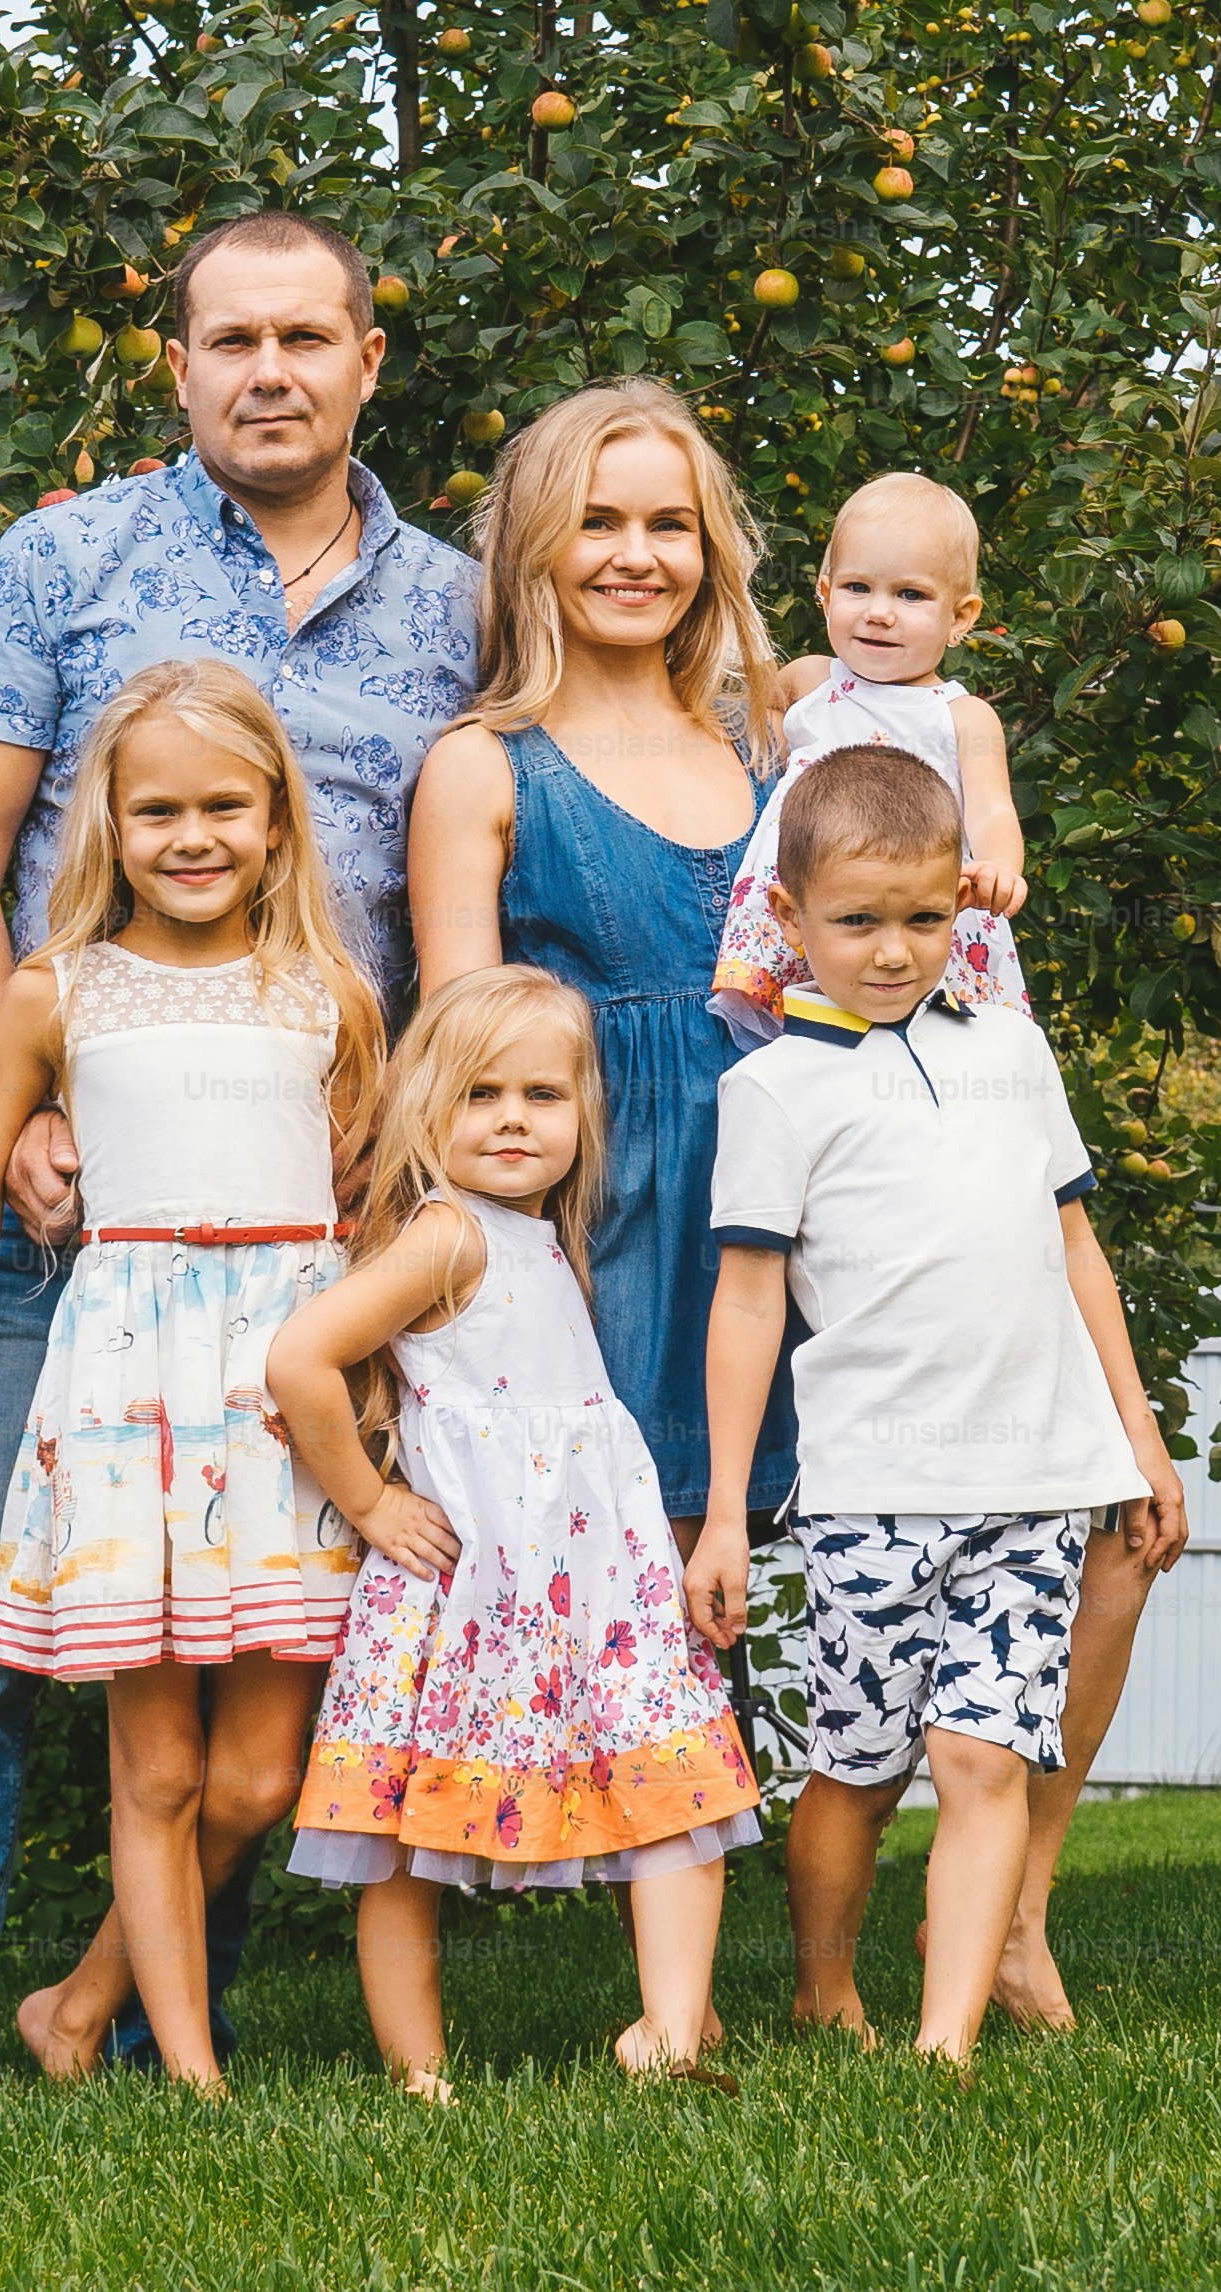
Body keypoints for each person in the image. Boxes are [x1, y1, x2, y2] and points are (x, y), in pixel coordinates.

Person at [0, 209, 476, 2115]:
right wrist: (21, 1108)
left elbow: (475, 871)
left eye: (305, 337)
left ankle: (105, 1999)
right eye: (228, 340)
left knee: (283, 1636)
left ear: (367, 360)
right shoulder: (64, 562)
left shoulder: (453, 603)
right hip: (73, 1219)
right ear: (176, 366)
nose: (267, 370)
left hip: (318, 1231)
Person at [0, 657, 386, 2095]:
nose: (189, 839)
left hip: (276, 1406)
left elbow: (366, 1202)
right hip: (129, 1401)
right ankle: (188, 2075)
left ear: (274, 822)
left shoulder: (327, 992)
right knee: (157, 1773)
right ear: (107, 827)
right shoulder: (55, 993)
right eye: (155, 813)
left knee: (257, 1778)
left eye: (221, 808)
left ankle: (74, 2007)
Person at [688, 745, 1189, 2065]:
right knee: (853, 1771)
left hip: (1030, 1482)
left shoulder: (1011, 1053)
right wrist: (729, 1515)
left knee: (984, 1760)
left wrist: (1135, 1437)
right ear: (789, 919)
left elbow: (1075, 1251)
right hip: (867, 1491)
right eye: (857, 922)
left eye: (924, 917)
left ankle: (944, 2047)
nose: (897, 950)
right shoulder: (769, 1090)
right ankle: (822, 1988)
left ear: (960, 905)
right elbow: (746, 1306)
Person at [268, 966, 760, 2103]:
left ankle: (672, 2033)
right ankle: (418, 2069)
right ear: (429, 1109)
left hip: (597, 1580)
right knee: (400, 1839)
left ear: (584, 1113)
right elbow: (301, 1360)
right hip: (477, 1583)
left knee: (683, 1785)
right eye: (482, 1094)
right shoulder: (449, 1237)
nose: (513, 1119)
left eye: (543, 1094)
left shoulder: (543, 1238)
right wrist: (373, 1500)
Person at [407, 376, 796, 1561]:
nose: (638, 556)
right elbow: (463, 1070)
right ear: (536, 546)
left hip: (788, 1223)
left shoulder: (777, 740)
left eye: (668, 525)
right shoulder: (484, 767)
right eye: (598, 522)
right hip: (604, 1231)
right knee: (621, 1593)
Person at [709, 472, 1031, 1041]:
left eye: (910, 595)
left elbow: (991, 810)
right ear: (825, 593)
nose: (879, 612)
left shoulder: (960, 715)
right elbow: (732, 724)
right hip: (813, 902)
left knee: (928, 1046)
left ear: (961, 616)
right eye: (858, 588)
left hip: (914, 913)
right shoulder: (809, 682)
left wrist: (1000, 870)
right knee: (813, 1051)